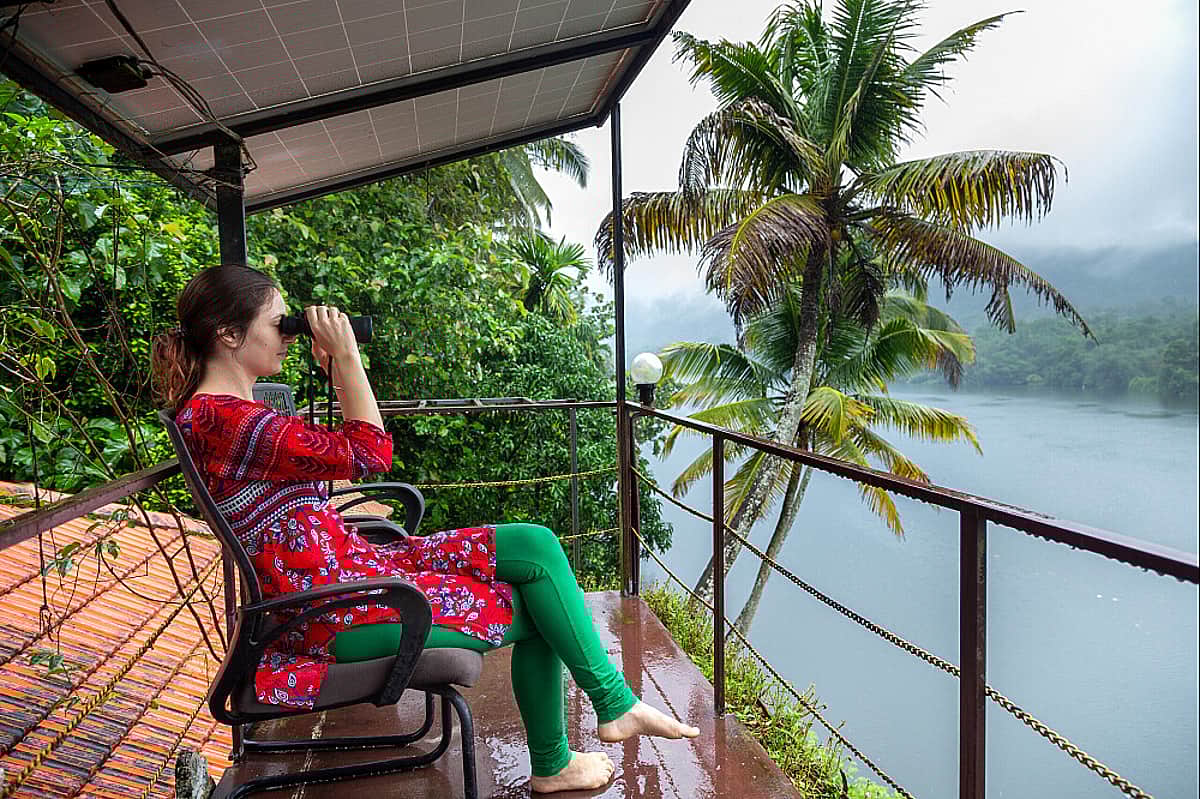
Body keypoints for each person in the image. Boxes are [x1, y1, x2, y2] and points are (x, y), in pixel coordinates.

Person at [150, 264, 699, 793]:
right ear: (228, 333)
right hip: (334, 611)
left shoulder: (227, 414)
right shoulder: (229, 420)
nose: (288, 335)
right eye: (279, 323)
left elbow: (326, 457)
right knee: (540, 610)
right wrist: (347, 357)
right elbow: (369, 451)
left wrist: (337, 366)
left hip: (355, 573)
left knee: (534, 543)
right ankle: (564, 752)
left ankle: (608, 711)